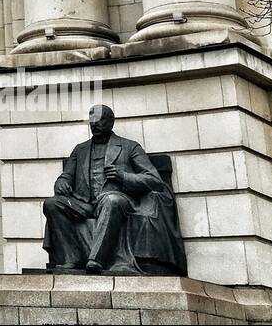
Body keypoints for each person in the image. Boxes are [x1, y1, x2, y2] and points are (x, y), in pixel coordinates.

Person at [42, 104, 186, 275]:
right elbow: (66, 177)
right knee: (51, 204)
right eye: (92, 121)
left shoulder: (129, 147)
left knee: (111, 200)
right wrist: (61, 183)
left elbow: (154, 180)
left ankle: (96, 260)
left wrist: (123, 176)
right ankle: (71, 257)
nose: (94, 124)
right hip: (85, 204)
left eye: (99, 120)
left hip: (120, 200)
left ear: (111, 122)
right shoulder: (80, 149)